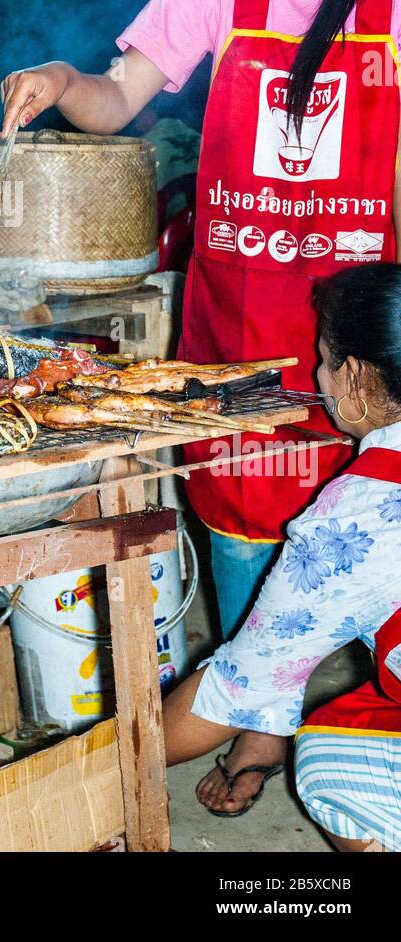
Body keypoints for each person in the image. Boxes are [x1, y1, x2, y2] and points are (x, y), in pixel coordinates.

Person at [0, 0, 401, 638]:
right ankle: (250, 720)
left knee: (370, 537)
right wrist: (61, 75)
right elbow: (114, 101)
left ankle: (356, 718)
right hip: (235, 325)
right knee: (238, 524)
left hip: (362, 339)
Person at [162, 264, 401, 847]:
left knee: (325, 759)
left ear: (355, 375)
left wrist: (100, 763)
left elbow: (241, 683)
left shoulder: (363, 515)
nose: (318, 378)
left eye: (323, 359)